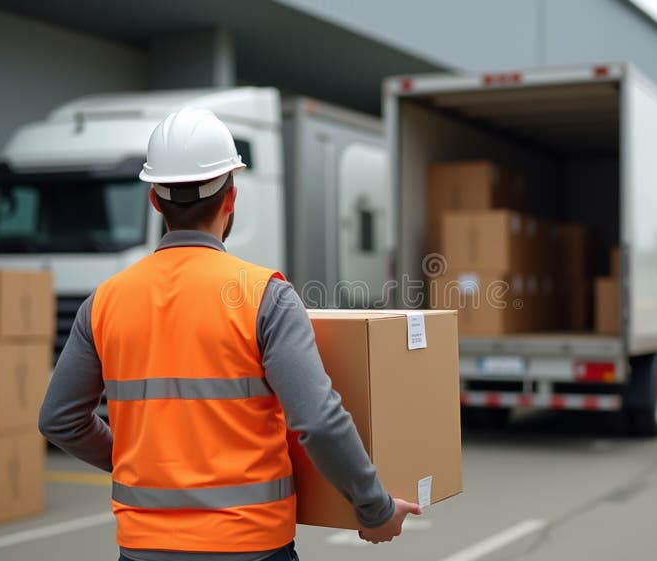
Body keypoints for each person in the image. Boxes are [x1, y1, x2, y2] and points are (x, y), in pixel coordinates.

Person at [39, 106, 421, 561]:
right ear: (232, 197)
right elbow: (317, 421)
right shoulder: (264, 296)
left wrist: (132, 463)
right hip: (251, 547)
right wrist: (374, 509)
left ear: (155, 201)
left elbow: (59, 420)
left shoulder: (104, 301)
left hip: (142, 549)